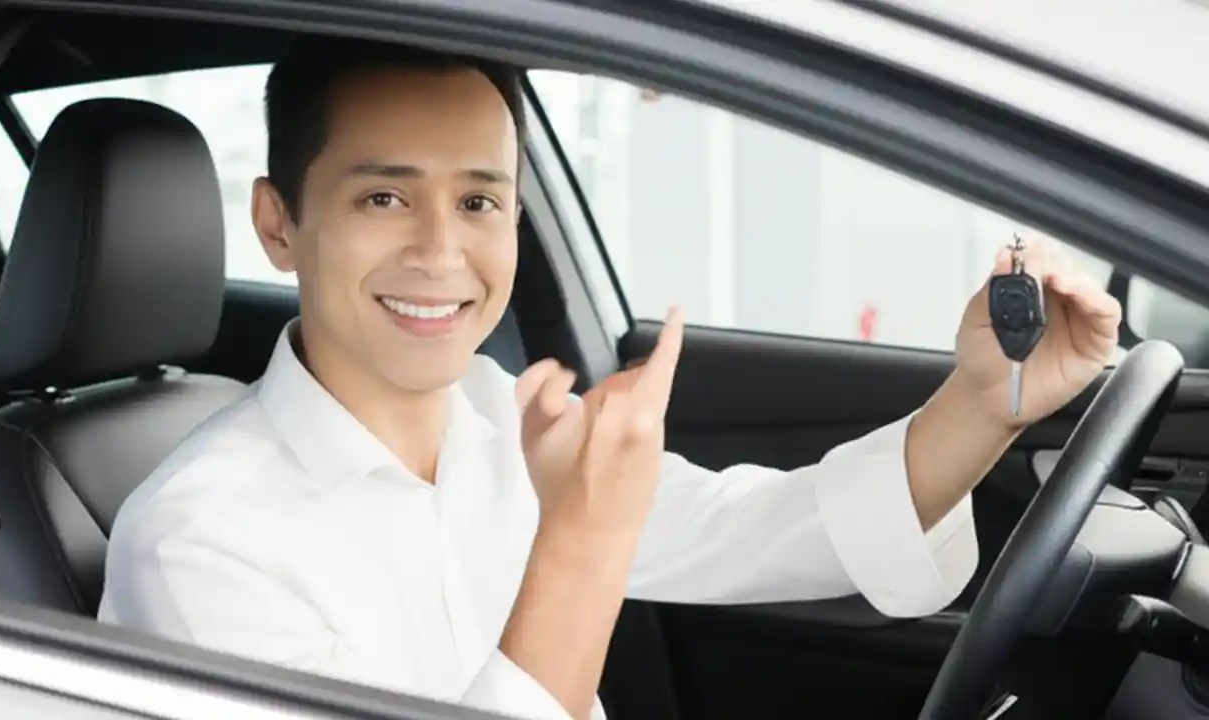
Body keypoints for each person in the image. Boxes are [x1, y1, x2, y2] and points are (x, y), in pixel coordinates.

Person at [98, 35, 1122, 720]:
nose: (441, 254)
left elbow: (771, 530)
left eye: (479, 203)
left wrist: (984, 403)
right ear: (278, 223)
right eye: (383, 199)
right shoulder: (196, 540)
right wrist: (581, 538)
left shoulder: (494, 414)